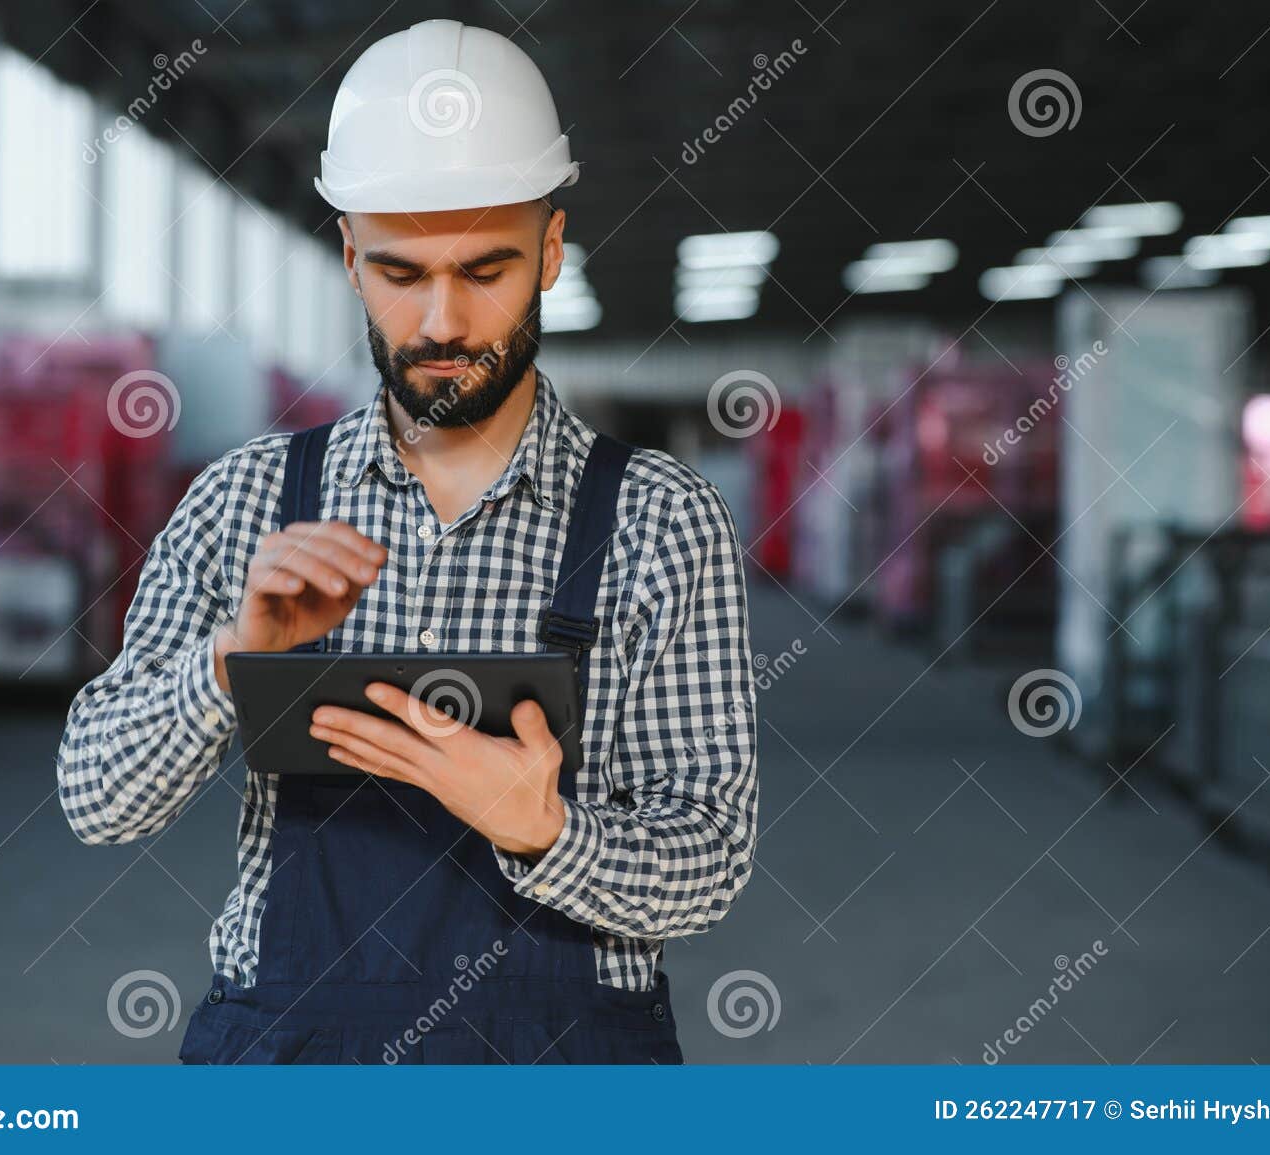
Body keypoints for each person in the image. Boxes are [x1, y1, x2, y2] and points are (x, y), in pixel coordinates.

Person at [56, 17, 758, 1064]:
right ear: (349, 257)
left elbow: (709, 858)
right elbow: (97, 800)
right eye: (400, 272)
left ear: (550, 252)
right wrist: (230, 662)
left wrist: (545, 829)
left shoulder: (660, 521)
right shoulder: (245, 501)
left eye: (484, 271)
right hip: (292, 1060)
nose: (440, 322)